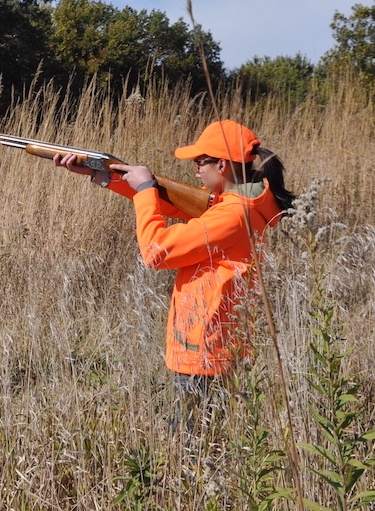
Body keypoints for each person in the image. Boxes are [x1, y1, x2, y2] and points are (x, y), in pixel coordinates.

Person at [54, 119, 295, 431]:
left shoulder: (233, 214)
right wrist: (104, 176)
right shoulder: (236, 204)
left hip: (206, 347)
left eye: (199, 162)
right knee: (206, 435)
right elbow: (182, 207)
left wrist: (144, 189)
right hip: (215, 340)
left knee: (191, 443)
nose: (195, 169)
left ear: (221, 164)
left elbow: (157, 251)